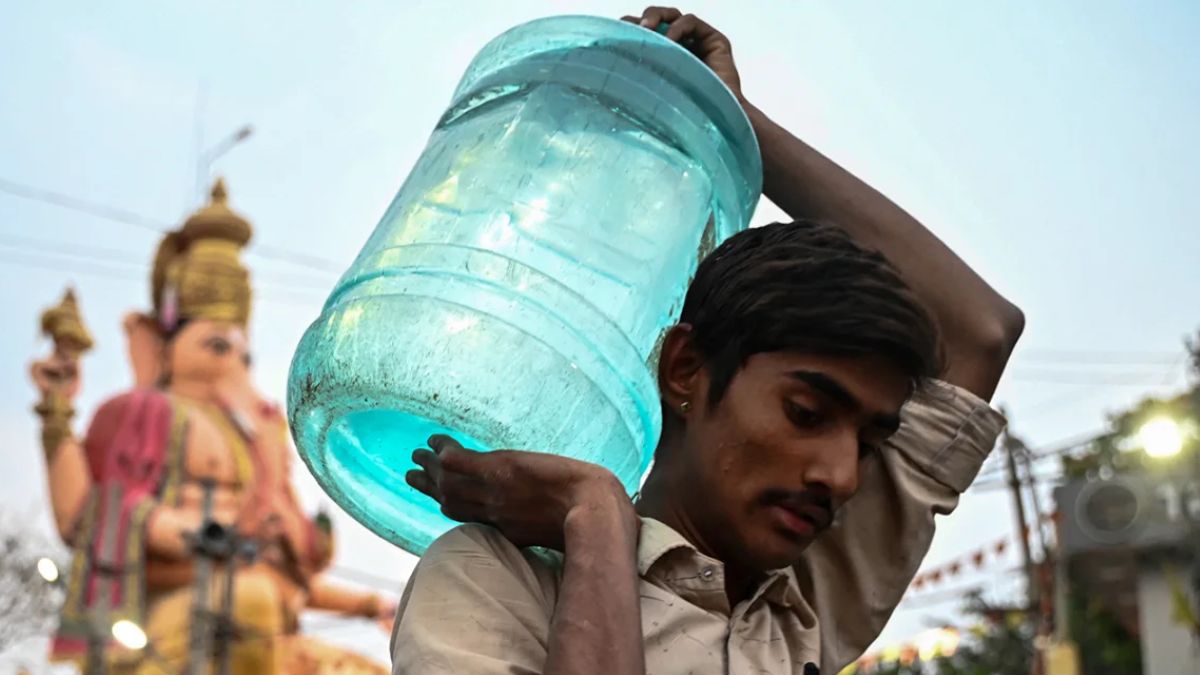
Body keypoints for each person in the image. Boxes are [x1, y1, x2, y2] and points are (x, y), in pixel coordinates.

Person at [390, 7, 1024, 674]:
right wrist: (596, 515)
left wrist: (733, 122)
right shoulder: (498, 577)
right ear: (686, 369)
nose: (839, 476)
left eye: (868, 443)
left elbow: (977, 332)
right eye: (806, 414)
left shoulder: (795, 613)